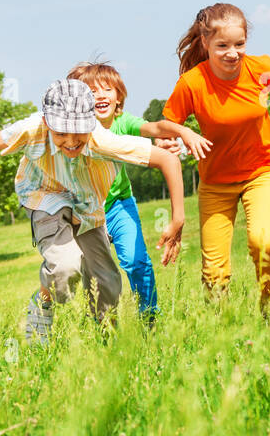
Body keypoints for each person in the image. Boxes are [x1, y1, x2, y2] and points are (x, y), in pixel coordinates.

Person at [0, 78, 185, 342]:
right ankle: (42, 302)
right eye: (61, 133)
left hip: (88, 205)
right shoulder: (32, 129)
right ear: (47, 121)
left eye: (78, 133)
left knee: (108, 285)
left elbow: (167, 161)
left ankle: (106, 343)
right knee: (66, 267)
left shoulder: (100, 138)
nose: (71, 142)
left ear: (90, 122)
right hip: (44, 197)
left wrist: (178, 219)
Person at [163, 3, 270, 327]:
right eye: (222, 45)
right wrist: (171, 139)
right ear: (205, 43)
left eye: (239, 44)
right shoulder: (192, 83)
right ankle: (220, 328)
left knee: (263, 241)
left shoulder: (262, 68)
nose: (232, 53)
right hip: (216, 182)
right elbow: (166, 124)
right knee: (214, 268)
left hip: (261, 172)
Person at [67, 62, 211, 324]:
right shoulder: (73, 130)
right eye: (92, 91)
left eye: (107, 89)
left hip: (119, 204)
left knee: (136, 262)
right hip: (84, 212)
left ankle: (150, 319)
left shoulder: (123, 122)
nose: (101, 95)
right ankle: (102, 327)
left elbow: (155, 128)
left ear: (118, 95)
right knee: (93, 274)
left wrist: (181, 132)